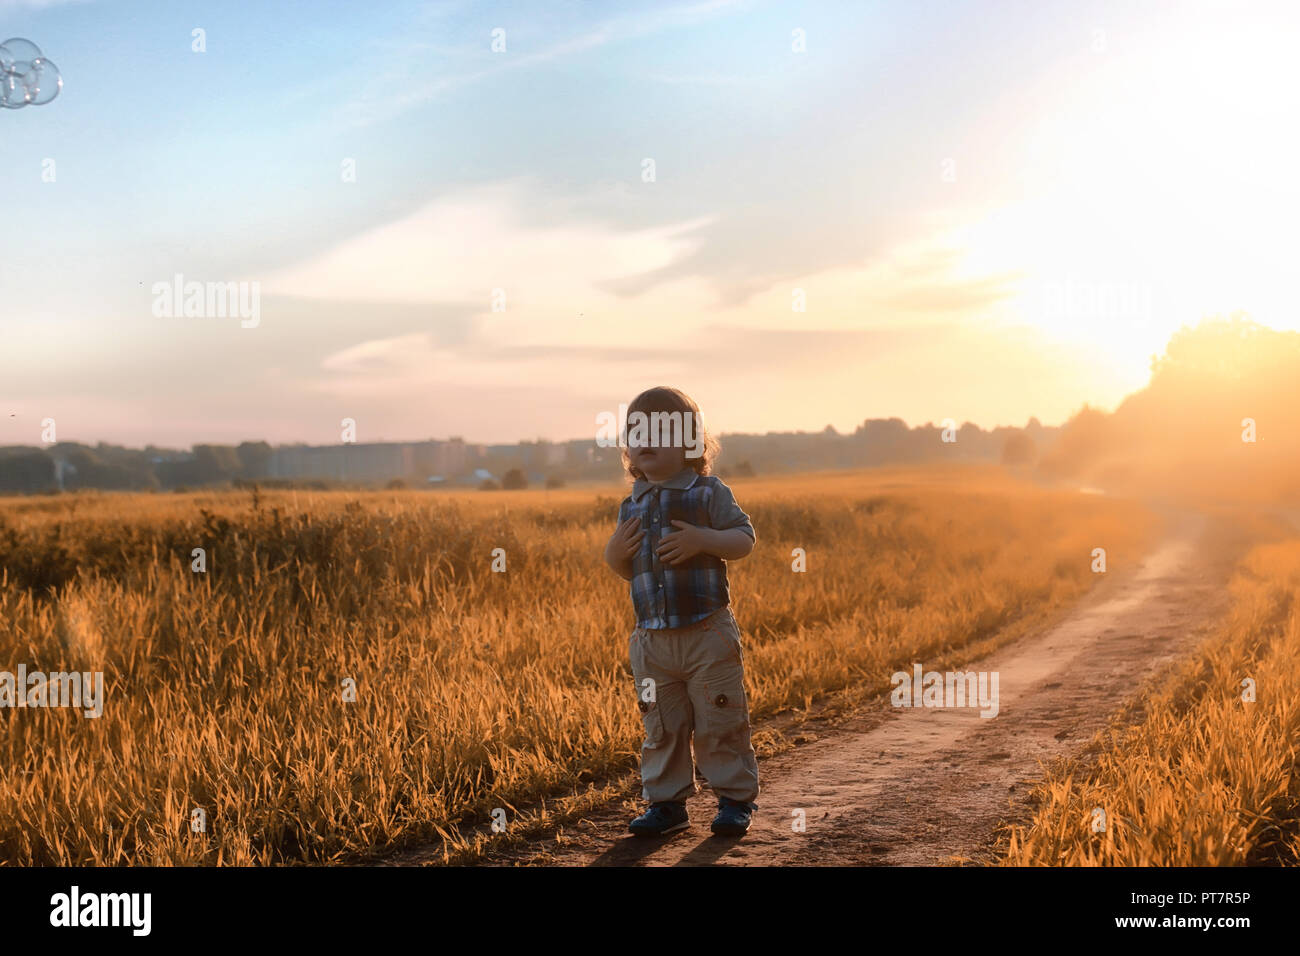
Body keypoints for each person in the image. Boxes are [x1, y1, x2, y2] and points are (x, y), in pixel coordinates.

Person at [602, 386, 759, 837]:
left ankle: (733, 800)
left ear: (690, 441)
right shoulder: (631, 503)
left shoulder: (707, 492)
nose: (643, 438)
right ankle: (666, 804)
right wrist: (613, 553)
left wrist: (703, 540)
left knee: (720, 718)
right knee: (661, 723)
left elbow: (744, 539)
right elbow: (629, 571)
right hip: (651, 639)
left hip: (707, 631)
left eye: (659, 429)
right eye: (635, 430)